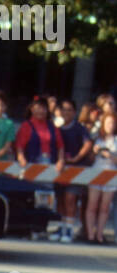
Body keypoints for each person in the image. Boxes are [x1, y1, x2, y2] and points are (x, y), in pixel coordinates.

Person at [55, 98, 93, 241]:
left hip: (75, 170)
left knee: (70, 199)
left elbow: (88, 144)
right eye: (63, 109)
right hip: (58, 169)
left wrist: (76, 158)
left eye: (69, 110)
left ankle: (69, 230)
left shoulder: (79, 128)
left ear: (75, 112)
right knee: (60, 200)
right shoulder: (55, 127)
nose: (66, 112)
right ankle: (61, 227)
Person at [85, 109, 117, 243]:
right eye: (108, 123)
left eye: (113, 123)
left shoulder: (116, 140)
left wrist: (109, 155)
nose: (110, 125)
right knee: (92, 205)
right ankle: (90, 234)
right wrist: (95, 151)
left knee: (105, 207)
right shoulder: (96, 138)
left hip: (111, 174)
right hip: (96, 173)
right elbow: (89, 159)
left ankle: (99, 234)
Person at [15, 96, 64, 169]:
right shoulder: (26, 126)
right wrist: (21, 158)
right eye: (38, 108)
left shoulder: (53, 127)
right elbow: (19, 146)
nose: (41, 111)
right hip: (30, 163)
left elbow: (60, 146)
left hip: (51, 164)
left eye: (43, 108)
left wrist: (61, 160)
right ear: (31, 109)